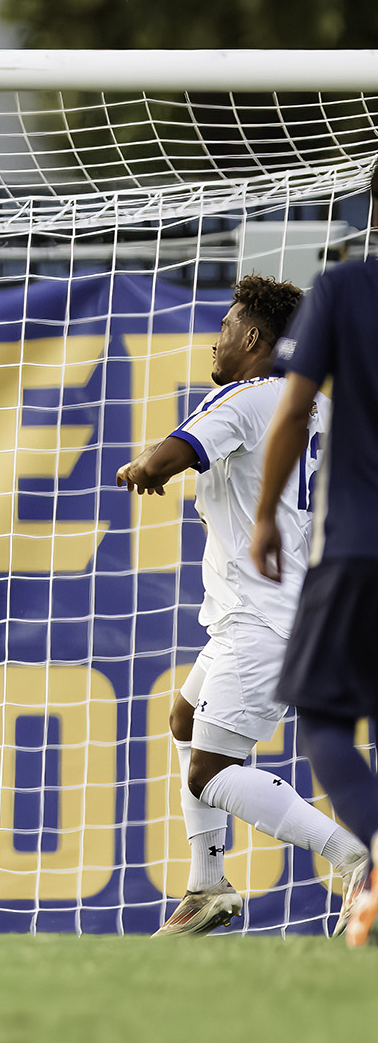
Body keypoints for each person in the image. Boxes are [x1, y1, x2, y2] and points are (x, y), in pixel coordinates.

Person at [116, 276, 366, 937]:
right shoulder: (323, 408)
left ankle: (355, 858)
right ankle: (207, 885)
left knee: (209, 771)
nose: (217, 340)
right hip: (299, 608)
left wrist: (142, 467)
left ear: (253, 337)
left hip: (262, 615)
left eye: (226, 328)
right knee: (184, 716)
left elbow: (169, 458)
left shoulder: (244, 397)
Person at [250, 170, 378, 945]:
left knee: (326, 718)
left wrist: (266, 513)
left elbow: (296, 407)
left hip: (359, 546)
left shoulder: (344, 288)